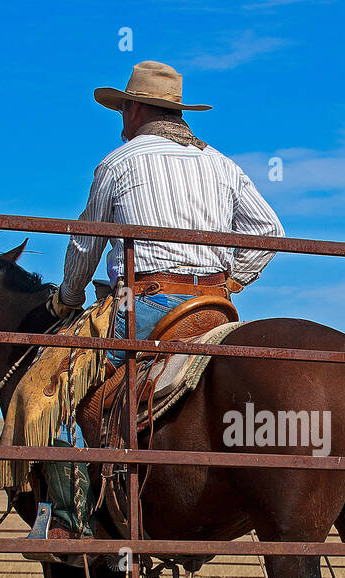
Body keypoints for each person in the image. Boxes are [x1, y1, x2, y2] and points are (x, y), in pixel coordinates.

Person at [55, 60, 284, 369]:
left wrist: (69, 296)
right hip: (214, 306)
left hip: (143, 303)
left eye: (123, 110)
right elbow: (268, 231)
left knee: (65, 373)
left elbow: (87, 243)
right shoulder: (222, 164)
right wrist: (232, 282)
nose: (122, 121)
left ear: (135, 109)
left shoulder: (118, 163)